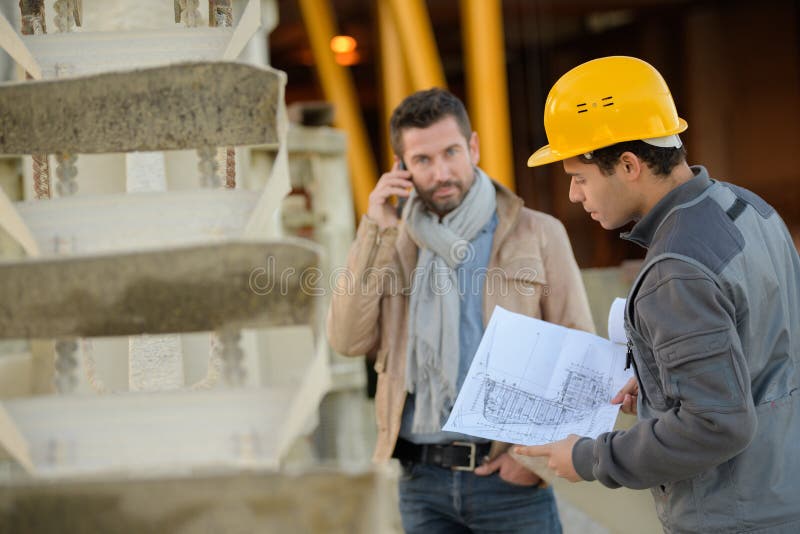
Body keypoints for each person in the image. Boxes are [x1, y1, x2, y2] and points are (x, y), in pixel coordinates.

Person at [516, 55, 800, 533]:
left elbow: (716, 424)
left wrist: (589, 457)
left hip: (733, 515)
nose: (573, 196)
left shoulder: (675, 268)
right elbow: (766, 351)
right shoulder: (749, 210)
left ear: (628, 164)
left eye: (578, 177)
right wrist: (658, 382)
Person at [326, 88, 594, 533]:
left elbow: (580, 352)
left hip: (510, 481)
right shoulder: (393, 243)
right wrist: (374, 229)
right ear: (402, 168)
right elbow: (347, 340)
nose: (441, 172)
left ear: (473, 147)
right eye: (423, 160)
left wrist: (536, 462)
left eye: (451, 152)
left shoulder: (538, 234)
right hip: (421, 483)